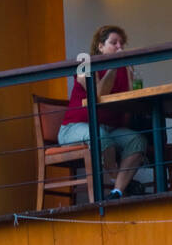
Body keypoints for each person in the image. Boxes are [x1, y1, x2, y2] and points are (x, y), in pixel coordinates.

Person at [58, 24, 146, 199]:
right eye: (114, 43)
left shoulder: (124, 68)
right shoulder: (85, 63)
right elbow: (98, 93)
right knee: (100, 136)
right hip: (74, 128)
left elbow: (130, 98)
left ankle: (117, 192)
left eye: (122, 44)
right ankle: (116, 178)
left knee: (137, 141)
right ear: (100, 46)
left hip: (109, 128)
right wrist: (113, 67)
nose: (119, 47)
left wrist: (129, 73)